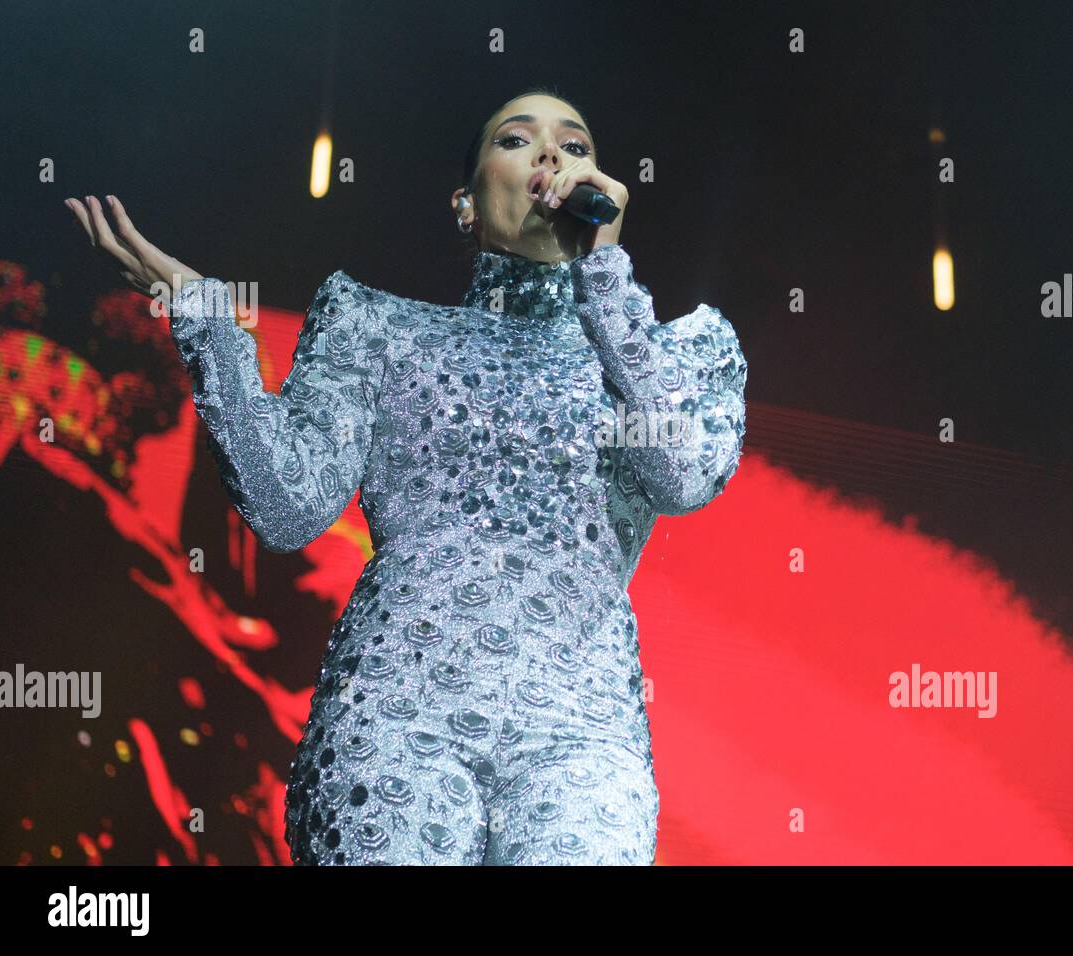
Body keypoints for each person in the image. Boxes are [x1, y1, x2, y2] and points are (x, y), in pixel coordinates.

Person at [64, 89, 747, 865]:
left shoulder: (674, 351)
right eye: (519, 139)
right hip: (394, 719)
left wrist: (608, 281)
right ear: (465, 203)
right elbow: (287, 508)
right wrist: (208, 320)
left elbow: (684, 473)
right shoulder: (379, 330)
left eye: (577, 146)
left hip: (580, 737)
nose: (552, 158)